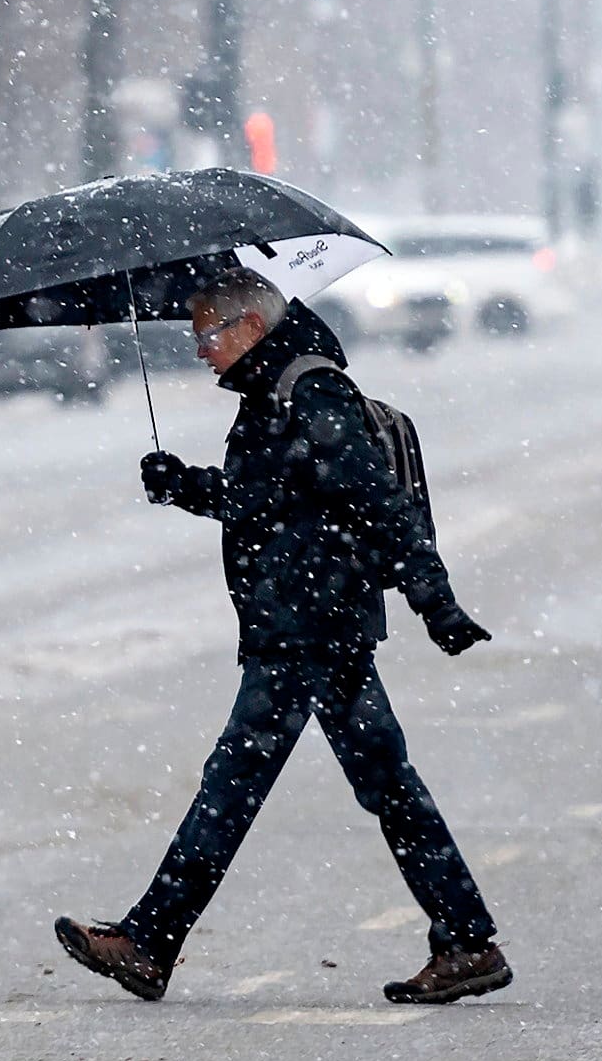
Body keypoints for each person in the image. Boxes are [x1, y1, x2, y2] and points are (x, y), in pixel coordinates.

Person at [55, 269, 510, 1006]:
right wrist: (184, 486)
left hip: (311, 627)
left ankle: (150, 940)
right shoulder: (274, 398)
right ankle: (465, 939)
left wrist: (436, 601)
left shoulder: (310, 393)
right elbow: (264, 500)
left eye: (207, 333)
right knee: (384, 784)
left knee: (233, 784)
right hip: (304, 624)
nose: (199, 350)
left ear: (250, 328)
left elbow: (376, 499)